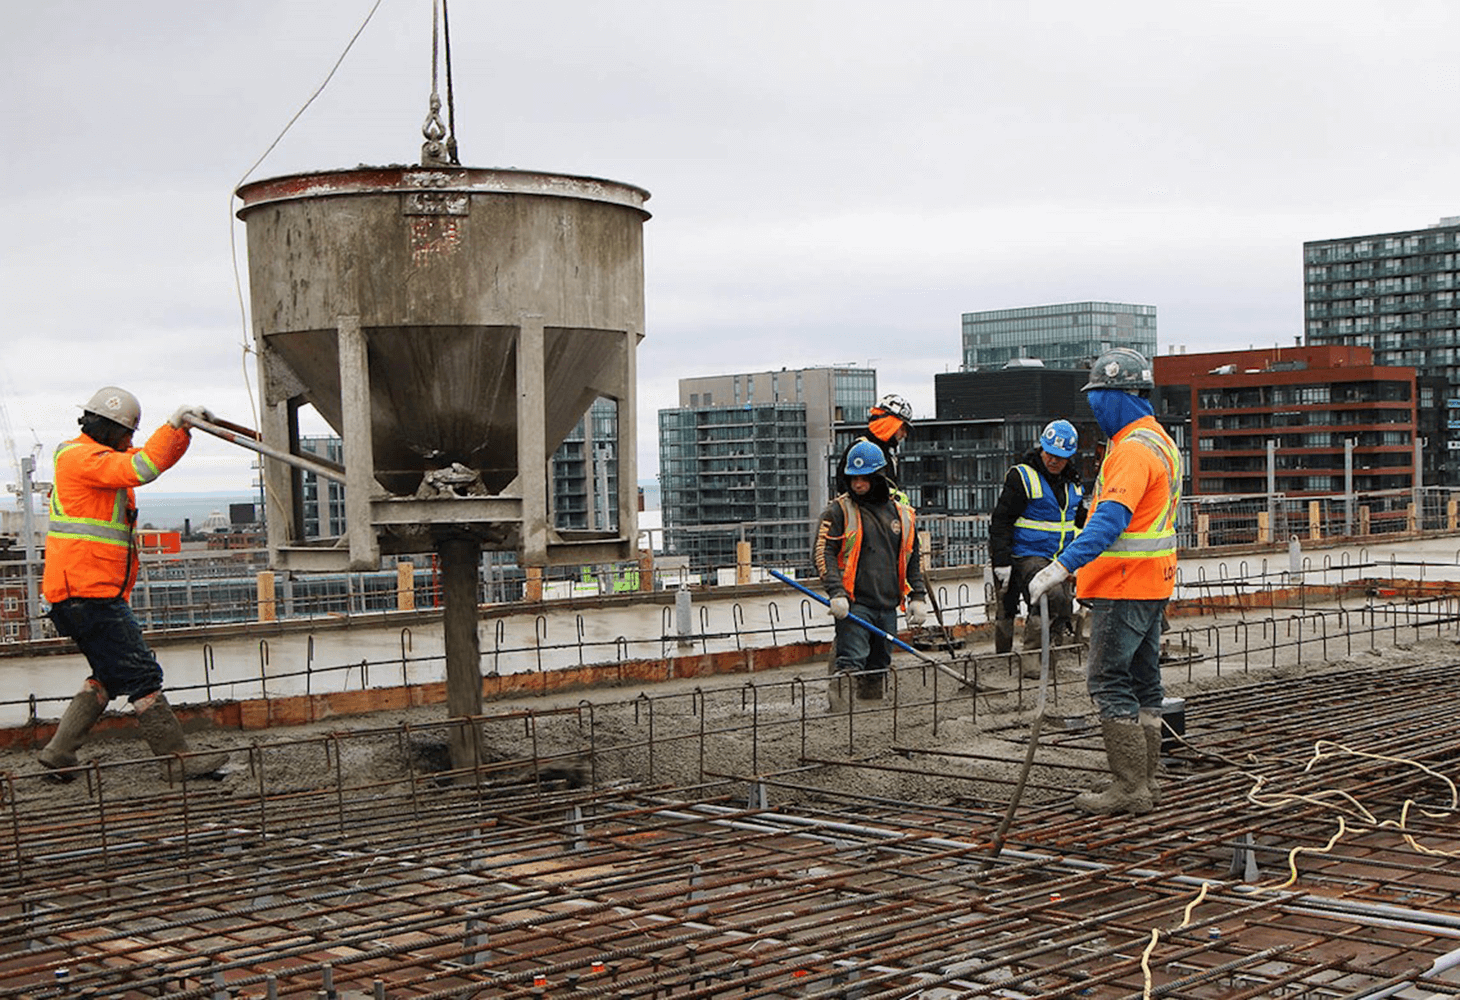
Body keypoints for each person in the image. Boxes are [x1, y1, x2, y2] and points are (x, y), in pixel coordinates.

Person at [38, 386, 229, 781]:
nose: (129, 440)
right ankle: (177, 761)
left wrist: (182, 433)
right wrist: (174, 426)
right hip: (89, 596)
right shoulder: (82, 458)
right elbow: (142, 466)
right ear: (108, 428)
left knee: (108, 676)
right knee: (143, 675)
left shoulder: (92, 457)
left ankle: (58, 754)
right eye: (127, 433)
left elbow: (140, 460)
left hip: (80, 595)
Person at [1027, 349, 1181, 815]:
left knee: (1109, 680)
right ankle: (1146, 781)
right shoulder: (1161, 442)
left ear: (1117, 397)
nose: (1095, 411)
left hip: (1123, 585)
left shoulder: (1132, 450)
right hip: (1153, 583)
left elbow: (1109, 521)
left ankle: (1129, 787)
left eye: (1098, 400)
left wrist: (1060, 567)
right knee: (1145, 682)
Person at [816, 440, 928, 700]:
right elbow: (823, 552)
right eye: (853, 479)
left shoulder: (901, 515)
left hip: (887, 604)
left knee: (879, 664)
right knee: (851, 660)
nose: (857, 485)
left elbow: (912, 557)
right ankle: (841, 708)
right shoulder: (839, 511)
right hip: (855, 603)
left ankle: (871, 707)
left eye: (864, 479)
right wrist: (836, 592)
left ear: (878, 477)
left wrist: (917, 596)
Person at [988, 419, 1084, 673]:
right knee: (1047, 596)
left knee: (1063, 603)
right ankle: (1030, 661)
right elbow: (1001, 521)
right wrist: (1002, 561)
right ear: (1042, 448)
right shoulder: (1023, 477)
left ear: (1070, 457)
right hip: (1025, 554)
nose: (1053, 461)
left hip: (1059, 557)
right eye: (1049, 454)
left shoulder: (1073, 484)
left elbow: (1079, 520)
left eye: (1060, 457)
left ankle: (1050, 657)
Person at [835, 393, 913, 501]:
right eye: (902, 428)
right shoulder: (860, 448)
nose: (904, 434)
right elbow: (845, 488)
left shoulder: (888, 454)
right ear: (890, 424)